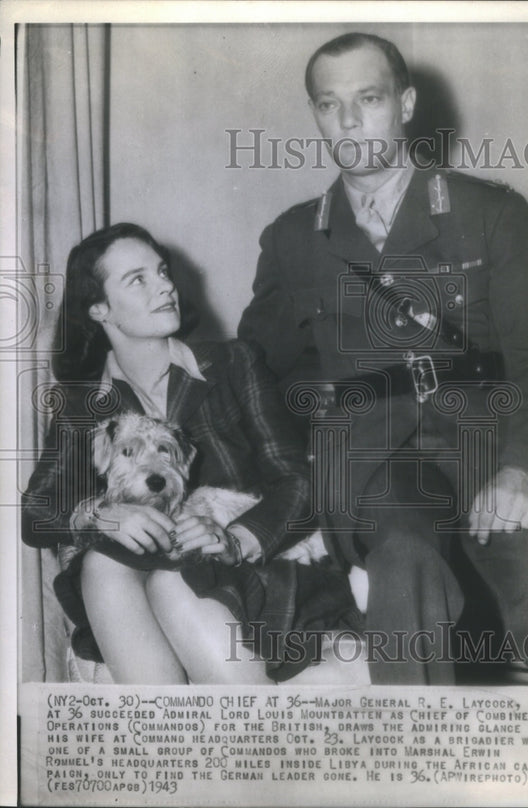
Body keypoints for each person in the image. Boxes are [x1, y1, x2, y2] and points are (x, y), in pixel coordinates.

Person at [238, 32, 528, 685]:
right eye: (328, 103)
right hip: (374, 464)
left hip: (494, 440)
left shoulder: (491, 213)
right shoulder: (292, 239)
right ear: (314, 114)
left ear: (406, 104)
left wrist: (524, 470)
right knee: (401, 560)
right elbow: (256, 372)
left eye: (368, 97)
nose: (348, 120)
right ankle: (412, 760)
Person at [22, 222, 362, 685]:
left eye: (162, 271)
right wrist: (102, 514)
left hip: (254, 567)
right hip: (138, 577)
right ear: (99, 308)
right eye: (137, 279)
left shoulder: (234, 364)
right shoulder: (83, 405)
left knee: (173, 578)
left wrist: (235, 538)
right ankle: (170, 739)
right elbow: (36, 513)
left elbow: (296, 483)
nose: (164, 284)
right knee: (104, 560)